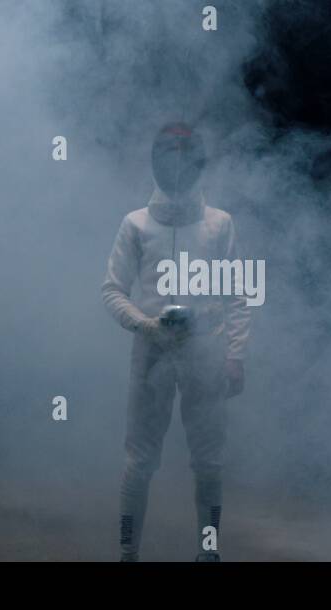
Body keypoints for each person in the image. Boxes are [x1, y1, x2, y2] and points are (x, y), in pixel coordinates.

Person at [101, 122, 251, 561]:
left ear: (199, 163)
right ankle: (129, 555)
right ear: (157, 162)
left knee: (209, 460)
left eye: (187, 156)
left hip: (205, 350)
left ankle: (209, 554)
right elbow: (112, 290)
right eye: (171, 156)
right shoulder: (136, 224)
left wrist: (236, 355)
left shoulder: (219, 224)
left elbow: (237, 293)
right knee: (140, 460)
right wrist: (147, 327)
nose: (179, 166)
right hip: (151, 350)